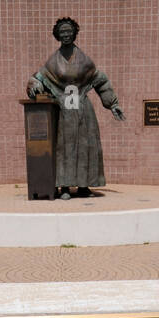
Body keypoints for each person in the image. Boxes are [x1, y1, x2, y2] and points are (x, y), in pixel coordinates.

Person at [26, 17, 125, 198]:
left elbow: (100, 80)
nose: (66, 35)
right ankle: (64, 187)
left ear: (74, 33)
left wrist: (113, 104)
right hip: (64, 112)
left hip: (84, 111)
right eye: (62, 32)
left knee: (86, 146)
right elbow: (37, 77)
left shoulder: (84, 60)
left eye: (69, 31)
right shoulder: (53, 62)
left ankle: (83, 185)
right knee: (65, 148)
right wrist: (34, 86)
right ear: (57, 35)